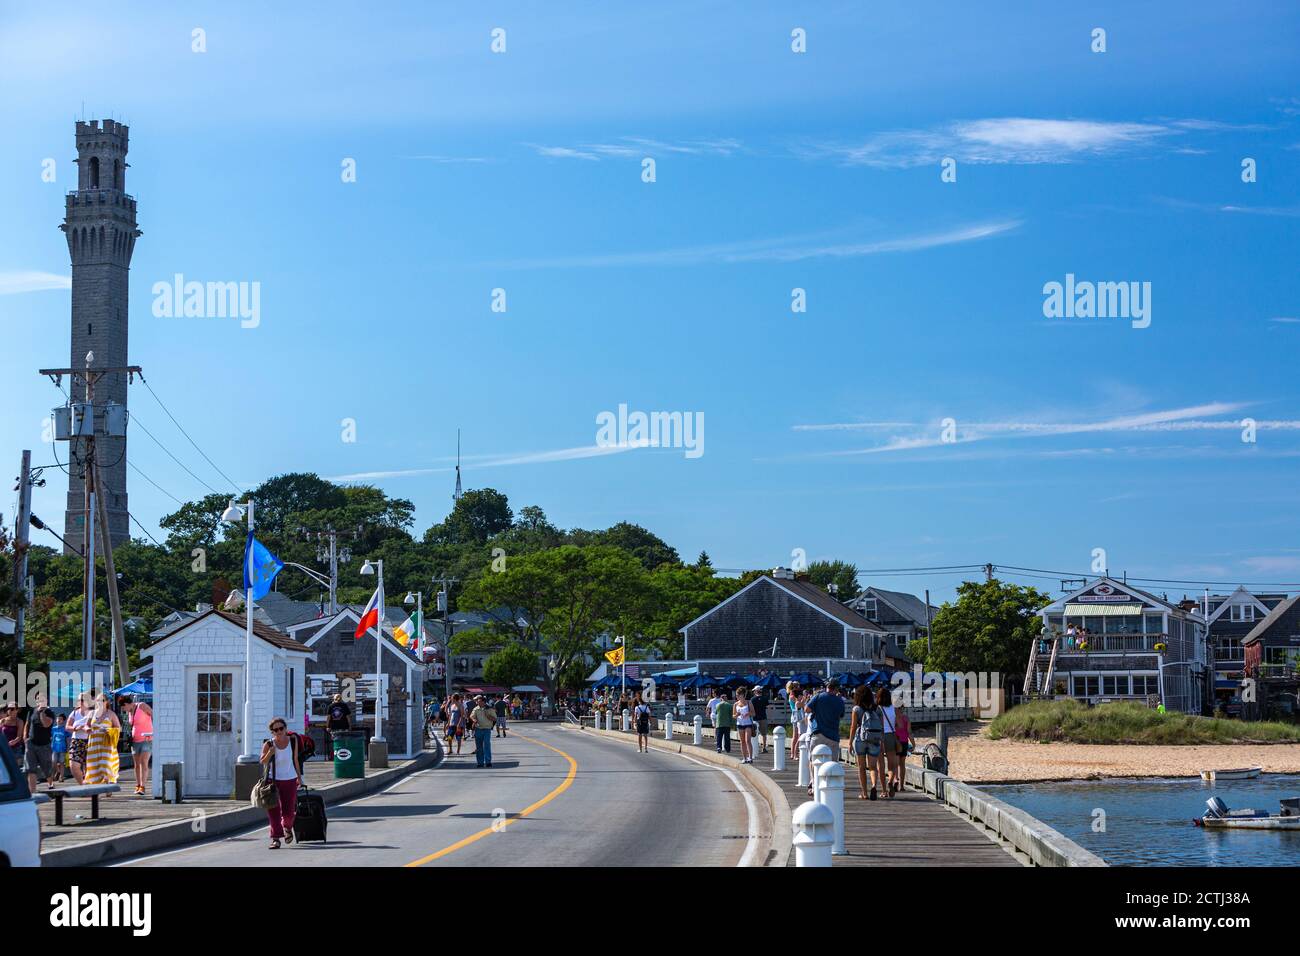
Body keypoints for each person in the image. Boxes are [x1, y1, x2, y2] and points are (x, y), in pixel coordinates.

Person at [258, 717, 302, 850]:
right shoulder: (269, 744)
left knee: (288, 812)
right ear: (272, 732)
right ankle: (276, 839)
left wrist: (299, 778)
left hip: (290, 779)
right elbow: (263, 762)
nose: (278, 731)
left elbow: (295, 760)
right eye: (275, 730)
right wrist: (270, 753)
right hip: (273, 781)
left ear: (285, 729)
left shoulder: (292, 741)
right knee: (273, 811)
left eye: (281, 728)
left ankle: (287, 827)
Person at [804, 680, 846, 794]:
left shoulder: (818, 697)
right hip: (833, 736)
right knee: (832, 763)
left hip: (818, 733)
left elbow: (806, 709)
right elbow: (841, 715)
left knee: (813, 760)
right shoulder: (839, 701)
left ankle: (813, 784)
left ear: (827, 687)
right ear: (836, 689)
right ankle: (829, 788)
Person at [848, 685, 884, 800]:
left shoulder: (856, 709)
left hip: (860, 739)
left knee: (861, 767)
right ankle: (873, 785)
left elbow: (853, 727)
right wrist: (881, 740)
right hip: (874, 739)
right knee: (873, 767)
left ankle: (864, 793)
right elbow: (881, 726)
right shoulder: (877, 709)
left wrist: (850, 743)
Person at [82, 694, 122, 787]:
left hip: (106, 743)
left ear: (106, 702)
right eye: (98, 700)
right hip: (94, 743)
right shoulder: (92, 713)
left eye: (102, 700)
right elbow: (86, 725)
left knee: (105, 765)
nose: (100, 702)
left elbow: (118, 728)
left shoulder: (111, 714)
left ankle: (108, 786)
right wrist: (87, 729)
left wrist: (109, 730)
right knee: (94, 766)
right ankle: (97, 788)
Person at [23, 694, 55, 792]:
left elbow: (46, 724)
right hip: (31, 744)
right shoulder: (32, 711)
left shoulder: (50, 712)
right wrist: (25, 737)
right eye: (37, 699)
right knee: (31, 769)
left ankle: (50, 783)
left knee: (46, 769)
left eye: (42, 699)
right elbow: (27, 724)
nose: (39, 701)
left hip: (44, 745)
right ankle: (32, 793)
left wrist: (42, 712)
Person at [122, 696, 153, 796]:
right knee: (136, 764)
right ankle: (138, 784)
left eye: (123, 707)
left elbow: (153, 714)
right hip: (135, 740)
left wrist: (154, 730)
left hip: (146, 739)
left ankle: (143, 786)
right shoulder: (129, 712)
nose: (123, 710)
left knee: (144, 762)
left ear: (126, 704)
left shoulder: (142, 706)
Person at [876, 686, 900, 798]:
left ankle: (884, 790)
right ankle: (890, 780)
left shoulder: (877, 709)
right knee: (892, 764)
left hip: (880, 736)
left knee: (881, 765)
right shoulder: (893, 708)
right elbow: (898, 724)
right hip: (891, 735)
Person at [65, 694, 92, 784]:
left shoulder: (93, 713)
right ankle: (82, 785)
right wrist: (76, 728)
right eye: (79, 700)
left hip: (90, 741)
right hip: (76, 741)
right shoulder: (74, 713)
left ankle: (89, 787)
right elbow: (67, 727)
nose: (80, 702)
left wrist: (88, 728)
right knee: (73, 765)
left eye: (82, 700)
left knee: (89, 767)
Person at [470, 695, 497, 767]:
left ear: (484, 702)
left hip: (486, 729)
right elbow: (471, 716)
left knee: (486, 745)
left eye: (479, 702)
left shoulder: (490, 709)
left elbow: (495, 719)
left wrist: (488, 716)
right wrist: (474, 720)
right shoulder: (476, 709)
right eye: (477, 702)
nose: (478, 703)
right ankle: (480, 763)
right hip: (478, 729)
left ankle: (488, 762)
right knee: (479, 747)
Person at [325, 693, 351, 758]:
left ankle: (336, 756)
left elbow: (328, 717)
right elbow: (348, 717)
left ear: (334, 699)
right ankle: (344, 755)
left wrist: (327, 726)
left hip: (334, 727)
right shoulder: (344, 705)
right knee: (344, 742)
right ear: (341, 699)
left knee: (335, 742)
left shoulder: (330, 706)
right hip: (344, 726)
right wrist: (350, 726)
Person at [734, 688, 754, 764]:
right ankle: (744, 758)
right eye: (736, 695)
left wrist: (748, 713)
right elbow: (733, 715)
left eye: (738, 695)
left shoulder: (749, 702)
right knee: (742, 742)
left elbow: (753, 713)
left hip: (748, 723)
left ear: (743, 695)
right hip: (740, 724)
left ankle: (750, 757)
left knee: (747, 740)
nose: (737, 696)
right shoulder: (736, 704)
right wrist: (736, 715)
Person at [895, 704, 912, 792]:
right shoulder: (906, 718)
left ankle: (895, 780)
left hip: (896, 742)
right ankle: (901, 786)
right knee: (902, 765)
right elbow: (909, 732)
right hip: (904, 742)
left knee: (895, 764)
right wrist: (913, 743)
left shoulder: (893, 718)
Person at [751, 686, 770, 754]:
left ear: (756, 691)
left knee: (754, 734)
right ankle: (764, 748)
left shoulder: (752, 699)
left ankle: (754, 747)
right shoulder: (765, 698)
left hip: (755, 718)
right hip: (763, 718)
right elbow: (768, 707)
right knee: (764, 734)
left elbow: (751, 709)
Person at [50, 712, 67, 784]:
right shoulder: (53, 729)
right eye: (58, 719)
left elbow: (67, 739)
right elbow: (50, 737)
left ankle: (61, 777)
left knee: (62, 763)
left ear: (63, 721)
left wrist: (68, 748)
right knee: (53, 762)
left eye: (61, 719)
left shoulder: (65, 729)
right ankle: (58, 771)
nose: (59, 720)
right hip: (54, 748)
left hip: (62, 748)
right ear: (56, 720)